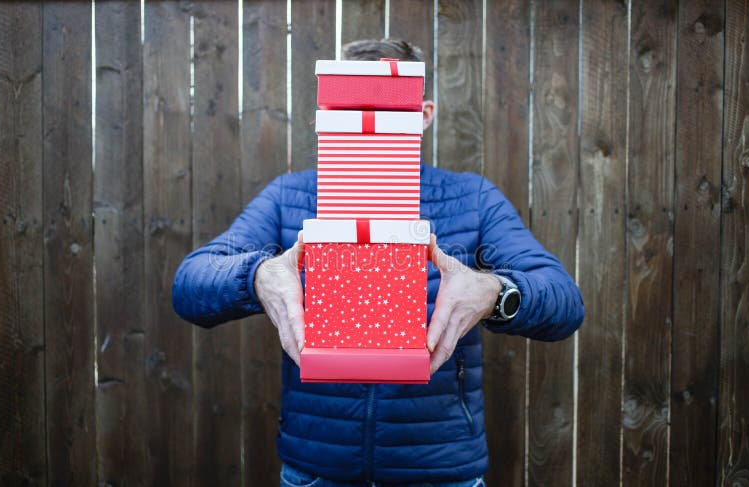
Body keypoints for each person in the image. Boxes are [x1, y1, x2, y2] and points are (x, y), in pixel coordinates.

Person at [172, 39, 584, 487]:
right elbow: (190, 283)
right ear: (323, 119)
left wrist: (495, 293)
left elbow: (563, 298)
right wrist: (256, 277)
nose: (367, 128)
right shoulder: (289, 197)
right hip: (317, 470)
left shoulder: (473, 199)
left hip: (440, 470)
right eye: (348, 113)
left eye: (386, 111)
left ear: (423, 115)